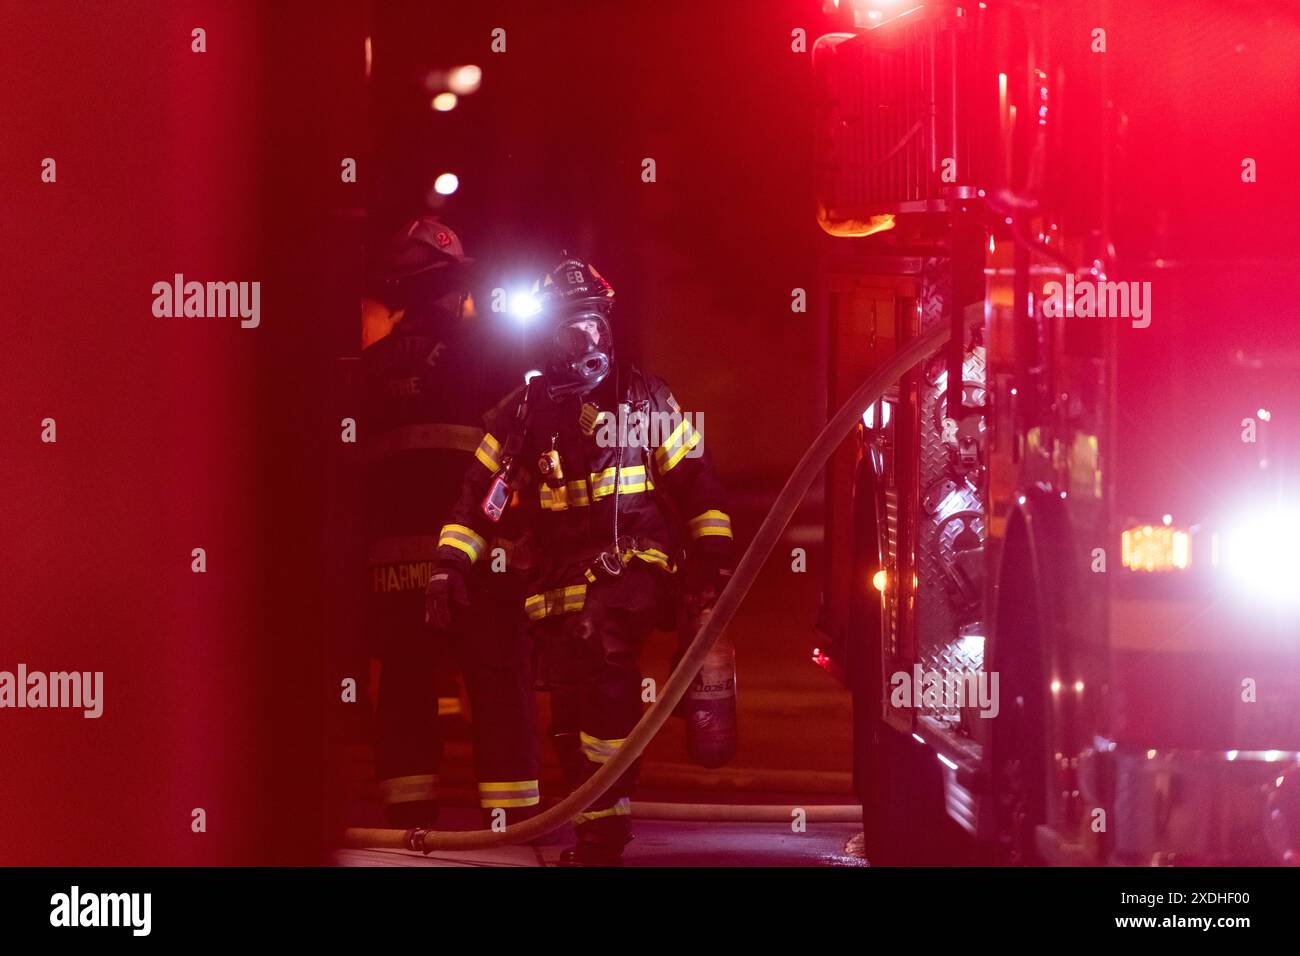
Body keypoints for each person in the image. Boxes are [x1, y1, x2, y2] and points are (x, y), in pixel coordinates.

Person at [427, 254, 734, 865]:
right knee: (570, 719)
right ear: (550, 338)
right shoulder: (522, 414)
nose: (590, 340)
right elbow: (478, 497)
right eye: (575, 329)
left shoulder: (645, 400)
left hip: (632, 571)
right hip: (556, 587)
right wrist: (449, 565)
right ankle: (598, 828)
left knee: (604, 662)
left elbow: (698, 485)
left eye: (597, 325)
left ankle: (603, 839)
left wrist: (714, 560)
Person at [363, 216, 539, 829]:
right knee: (495, 680)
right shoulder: (487, 357)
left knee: (405, 691)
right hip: (476, 559)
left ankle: (410, 818)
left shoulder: (372, 368)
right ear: (453, 288)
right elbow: (520, 454)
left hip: (392, 567)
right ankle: (511, 826)